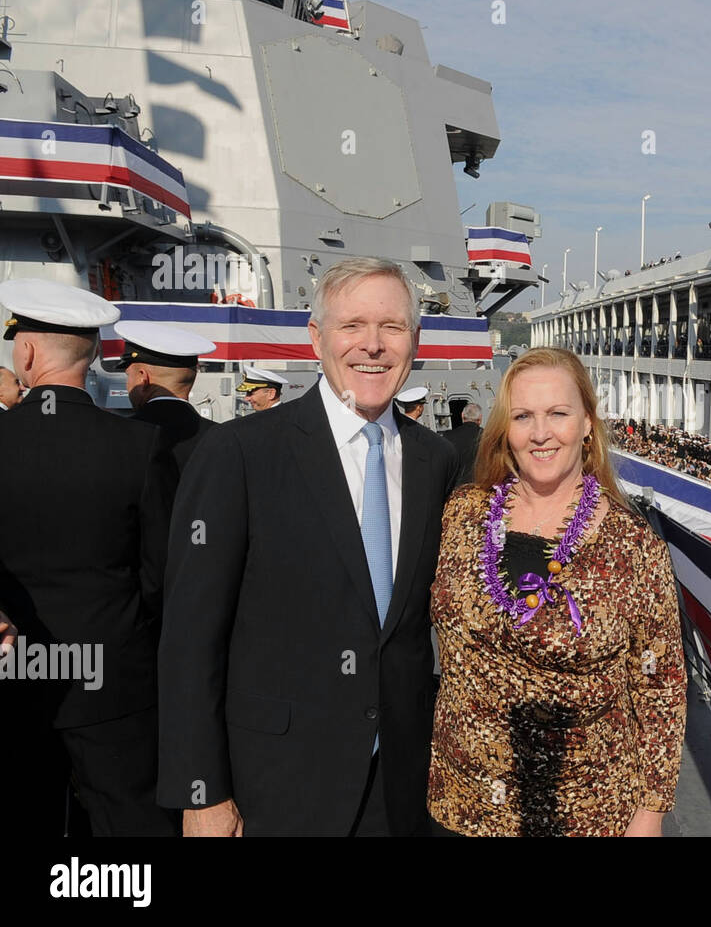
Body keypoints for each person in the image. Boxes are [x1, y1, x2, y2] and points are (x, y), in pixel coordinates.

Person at [158, 257, 461, 836]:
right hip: (275, 786)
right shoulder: (240, 453)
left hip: (400, 788)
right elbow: (190, 639)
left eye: (391, 327)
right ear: (317, 338)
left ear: (414, 342)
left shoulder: (435, 460)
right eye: (352, 326)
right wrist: (200, 794)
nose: (372, 346)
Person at [427, 347, 687, 836]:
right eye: (523, 416)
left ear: (587, 423)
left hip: (585, 812)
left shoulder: (633, 546)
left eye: (558, 414)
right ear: (506, 429)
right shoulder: (463, 513)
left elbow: (662, 686)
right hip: (462, 801)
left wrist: (650, 814)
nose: (540, 433)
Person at [0, 278, 177, 837]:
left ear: (25, 351)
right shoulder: (140, 446)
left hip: (13, 672)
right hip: (116, 678)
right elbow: (159, 575)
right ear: (95, 353)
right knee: (129, 824)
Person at [114, 321, 217, 473]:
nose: (128, 385)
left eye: (128, 376)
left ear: (143, 378)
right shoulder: (220, 437)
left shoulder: (120, 435)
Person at [445, 401, 483, 487]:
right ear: (480, 419)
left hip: (457, 489)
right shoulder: (488, 437)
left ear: (462, 415)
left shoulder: (448, 436)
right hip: (482, 488)